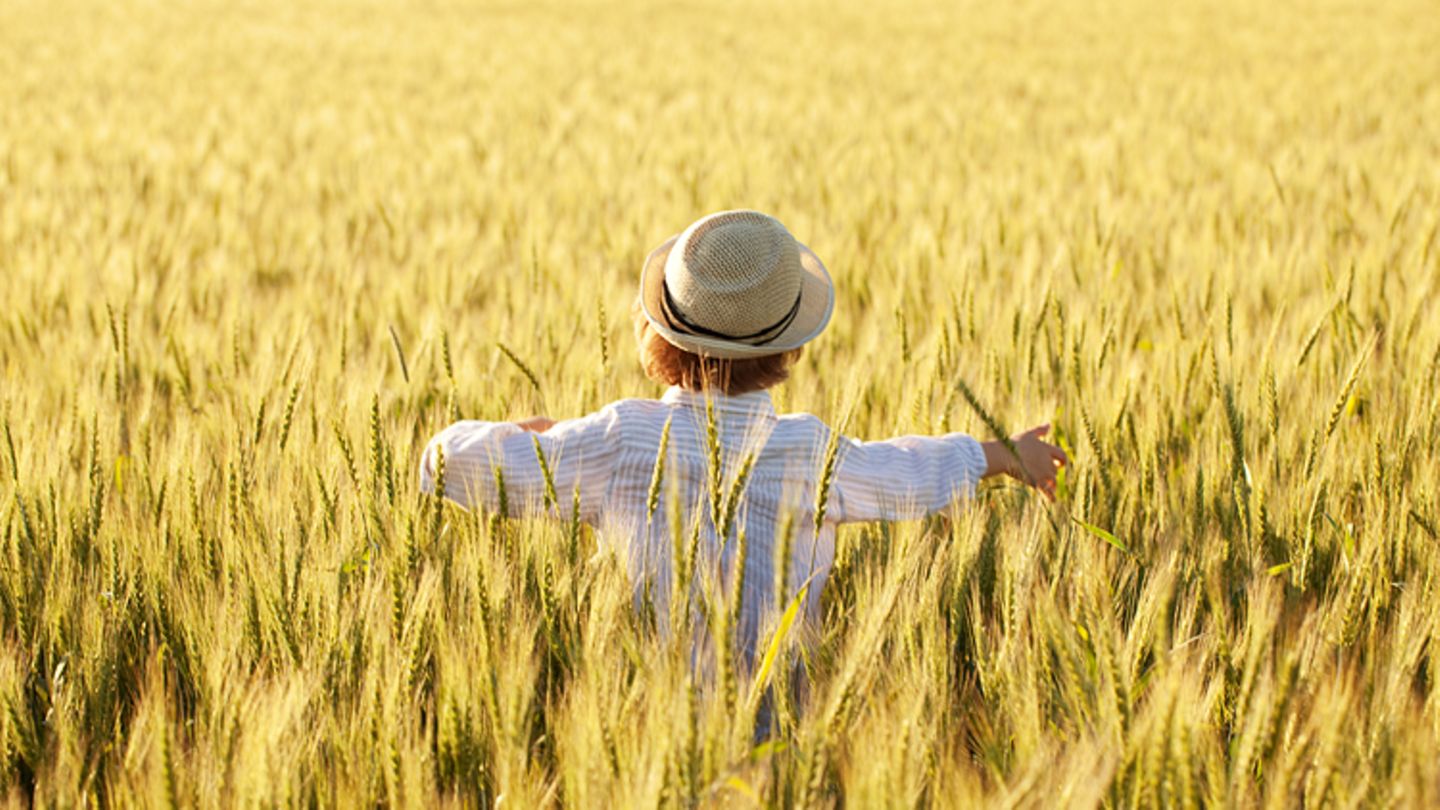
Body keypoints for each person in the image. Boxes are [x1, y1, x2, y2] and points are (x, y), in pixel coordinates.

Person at [418, 209, 1067, 657]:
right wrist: (999, 455)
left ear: (657, 333)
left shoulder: (615, 440)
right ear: (787, 350)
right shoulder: (810, 454)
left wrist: (534, 434)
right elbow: (905, 473)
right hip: (778, 728)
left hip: (648, 726)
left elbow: (448, 465)